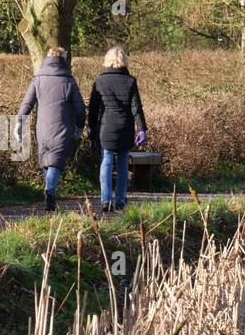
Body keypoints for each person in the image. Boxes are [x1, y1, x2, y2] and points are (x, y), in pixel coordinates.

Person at [17, 46, 85, 212]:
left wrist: (19, 122)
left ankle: (49, 193)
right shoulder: (68, 80)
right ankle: (50, 190)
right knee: (56, 162)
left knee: (46, 161)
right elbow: (80, 108)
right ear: (63, 60)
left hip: (42, 127)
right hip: (63, 126)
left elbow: (27, 103)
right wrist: (80, 126)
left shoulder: (37, 79)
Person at [86, 45, 147, 213]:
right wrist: (141, 129)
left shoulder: (100, 81)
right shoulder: (130, 81)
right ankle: (120, 200)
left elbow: (93, 108)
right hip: (125, 126)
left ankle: (106, 200)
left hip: (106, 127)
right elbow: (136, 107)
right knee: (122, 163)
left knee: (106, 160)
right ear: (124, 60)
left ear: (107, 61)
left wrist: (91, 127)